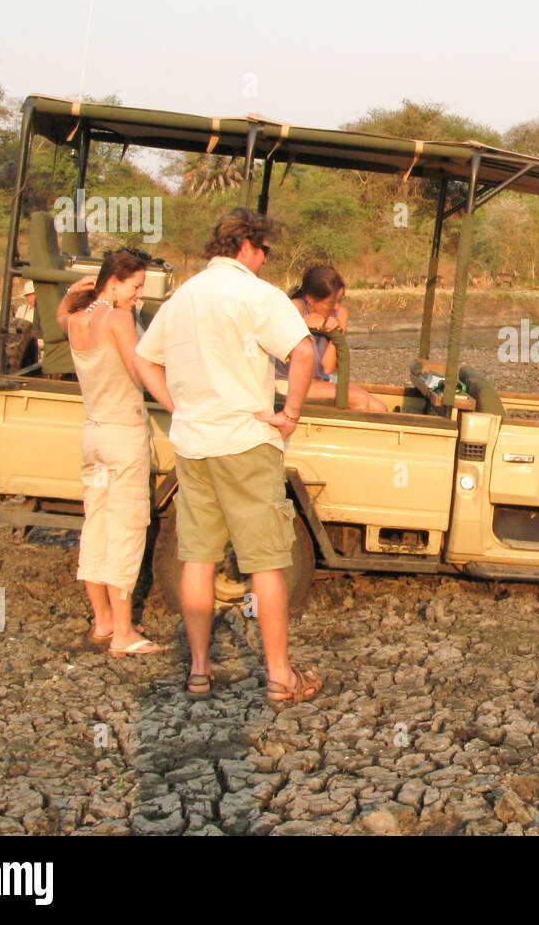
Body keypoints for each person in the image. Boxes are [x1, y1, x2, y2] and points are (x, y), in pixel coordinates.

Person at [134, 207, 322, 705]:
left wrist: (178, 407)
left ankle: (198, 671)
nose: (265, 261)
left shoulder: (183, 296)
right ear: (247, 245)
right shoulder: (258, 295)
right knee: (266, 559)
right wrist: (291, 414)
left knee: (197, 556)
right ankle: (280, 675)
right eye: (264, 251)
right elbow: (303, 352)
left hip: (193, 444)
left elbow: (144, 358)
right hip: (244, 441)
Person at [57, 252, 170, 657]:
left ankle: (102, 620)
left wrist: (74, 292)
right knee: (126, 525)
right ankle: (123, 633)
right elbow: (140, 369)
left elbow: (60, 316)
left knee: (97, 523)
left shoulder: (76, 320)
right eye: (135, 286)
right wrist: (177, 407)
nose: (138, 295)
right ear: (114, 282)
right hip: (123, 435)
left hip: (93, 435)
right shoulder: (118, 319)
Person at [274, 265, 388, 412]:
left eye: (339, 300)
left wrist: (335, 333)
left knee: (380, 408)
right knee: (358, 400)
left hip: (319, 381)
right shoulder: (296, 307)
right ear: (311, 300)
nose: (336, 307)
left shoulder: (340, 313)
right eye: (330, 303)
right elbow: (278, 343)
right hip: (287, 381)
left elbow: (327, 368)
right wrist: (304, 325)